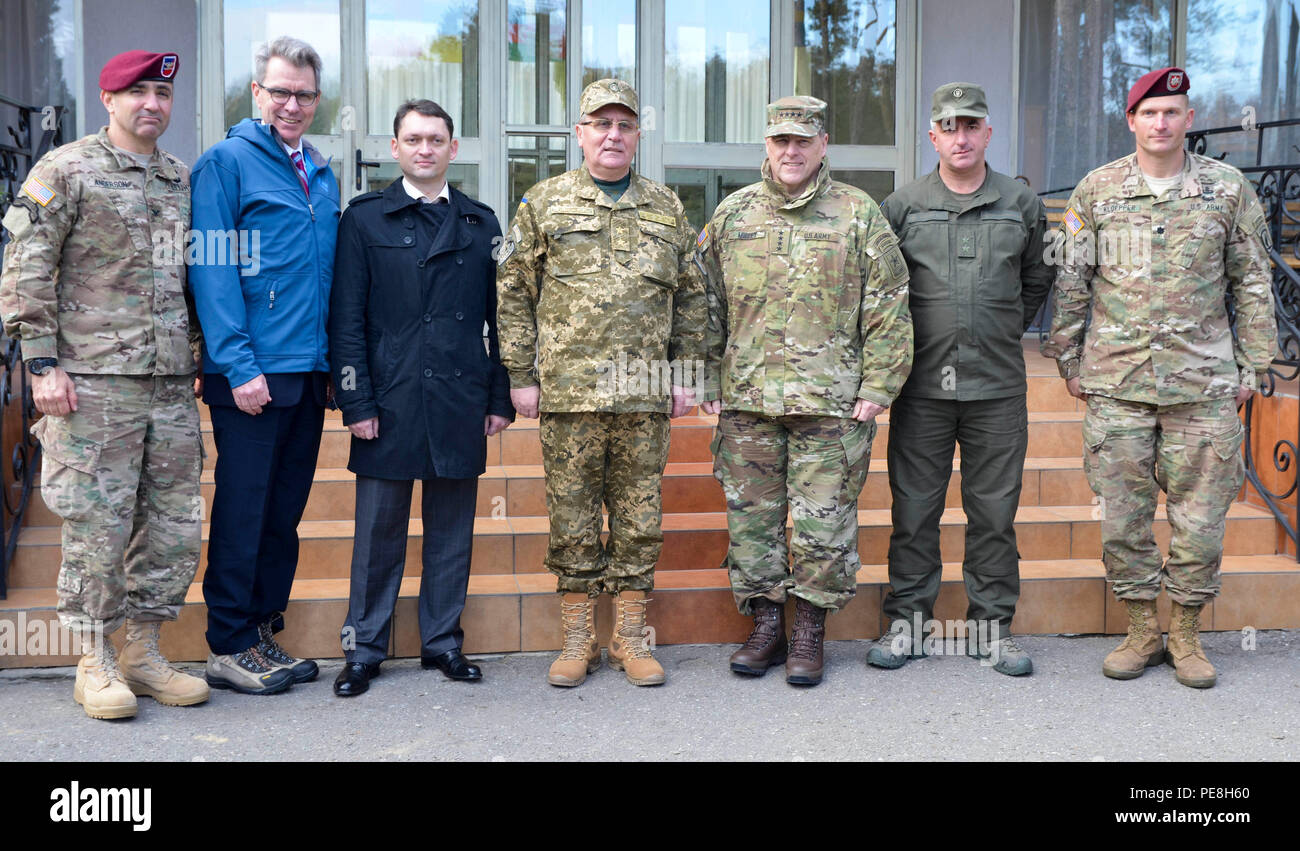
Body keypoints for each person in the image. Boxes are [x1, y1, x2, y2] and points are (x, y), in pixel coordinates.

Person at [1043, 67, 1276, 688]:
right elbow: (1073, 282)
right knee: (1122, 515)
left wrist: (1254, 363)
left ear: (1188, 120)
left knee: (1200, 519)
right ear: (1132, 121)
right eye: (1150, 113)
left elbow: (1251, 281)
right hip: (1117, 384)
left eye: (1172, 112)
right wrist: (1067, 360)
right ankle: (1143, 626)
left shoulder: (1227, 190)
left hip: (1203, 385)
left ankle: (1187, 631)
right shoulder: (1098, 190)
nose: (1161, 122)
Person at [0, 50, 208, 719]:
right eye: (139, 92)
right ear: (109, 98)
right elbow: (27, 263)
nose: (154, 104)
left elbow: (184, 278)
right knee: (97, 524)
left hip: (169, 383)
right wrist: (40, 364)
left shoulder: (178, 177)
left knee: (172, 524)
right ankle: (94, 659)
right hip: (91, 382)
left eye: (164, 94)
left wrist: (198, 354)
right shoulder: (65, 168)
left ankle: (144, 650)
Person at [497, 79, 706, 688]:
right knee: (574, 518)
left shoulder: (666, 206)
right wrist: (520, 374)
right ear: (580, 133)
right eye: (600, 124)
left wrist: (687, 372)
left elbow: (692, 298)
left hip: (643, 395)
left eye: (624, 125)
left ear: (638, 134)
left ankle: (631, 638)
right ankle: (578, 640)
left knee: (640, 518)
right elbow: (513, 294)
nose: (612, 135)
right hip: (570, 394)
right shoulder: (543, 202)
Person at [698, 96, 913, 686]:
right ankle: (767, 624)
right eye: (779, 142)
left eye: (802, 142)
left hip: (833, 403)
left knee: (825, 523)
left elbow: (889, 303)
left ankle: (811, 629)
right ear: (766, 146)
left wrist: (880, 382)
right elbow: (705, 304)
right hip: (747, 401)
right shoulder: (733, 214)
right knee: (753, 521)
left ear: (823, 147)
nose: (790, 152)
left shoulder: (858, 213)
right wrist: (703, 374)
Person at [328, 100, 512, 697]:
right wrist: (356, 404)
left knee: (451, 533)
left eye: (436, 139)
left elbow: (503, 321)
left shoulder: (482, 224)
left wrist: (499, 398)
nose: (425, 149)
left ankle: (443, 643)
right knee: (378, 534)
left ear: (453, 149)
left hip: (460, 396)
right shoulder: (363, 220)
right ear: (395, 146)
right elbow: (346, 321)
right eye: (414, 139)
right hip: (390, 397)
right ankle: (363, 650)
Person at [868, 83, 1052, 676]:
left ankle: (991, 630)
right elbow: (883, 290)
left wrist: (997, 329)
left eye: (972, 125)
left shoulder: (1020, 205)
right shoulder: (901, 206)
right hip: (921, 389)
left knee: (994, 514)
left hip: (996, 389)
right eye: (949, 127)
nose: (961, 136)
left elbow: (1036, 280)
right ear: (933, 137)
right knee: (914, 511)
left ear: (988, 133)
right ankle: (909, 625)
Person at [189, 36, 340, 695]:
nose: (292, 104)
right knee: (245, 509)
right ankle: (227, 642)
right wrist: (235, 363)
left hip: (305, 373)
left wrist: (331, 362)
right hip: (248, 373)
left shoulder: (321, 170)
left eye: (304, 94)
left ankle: (260, 633)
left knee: (283, 513)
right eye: (279, 91)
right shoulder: (225, 164)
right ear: (257, 93)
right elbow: (211, 269)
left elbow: (329, 276)